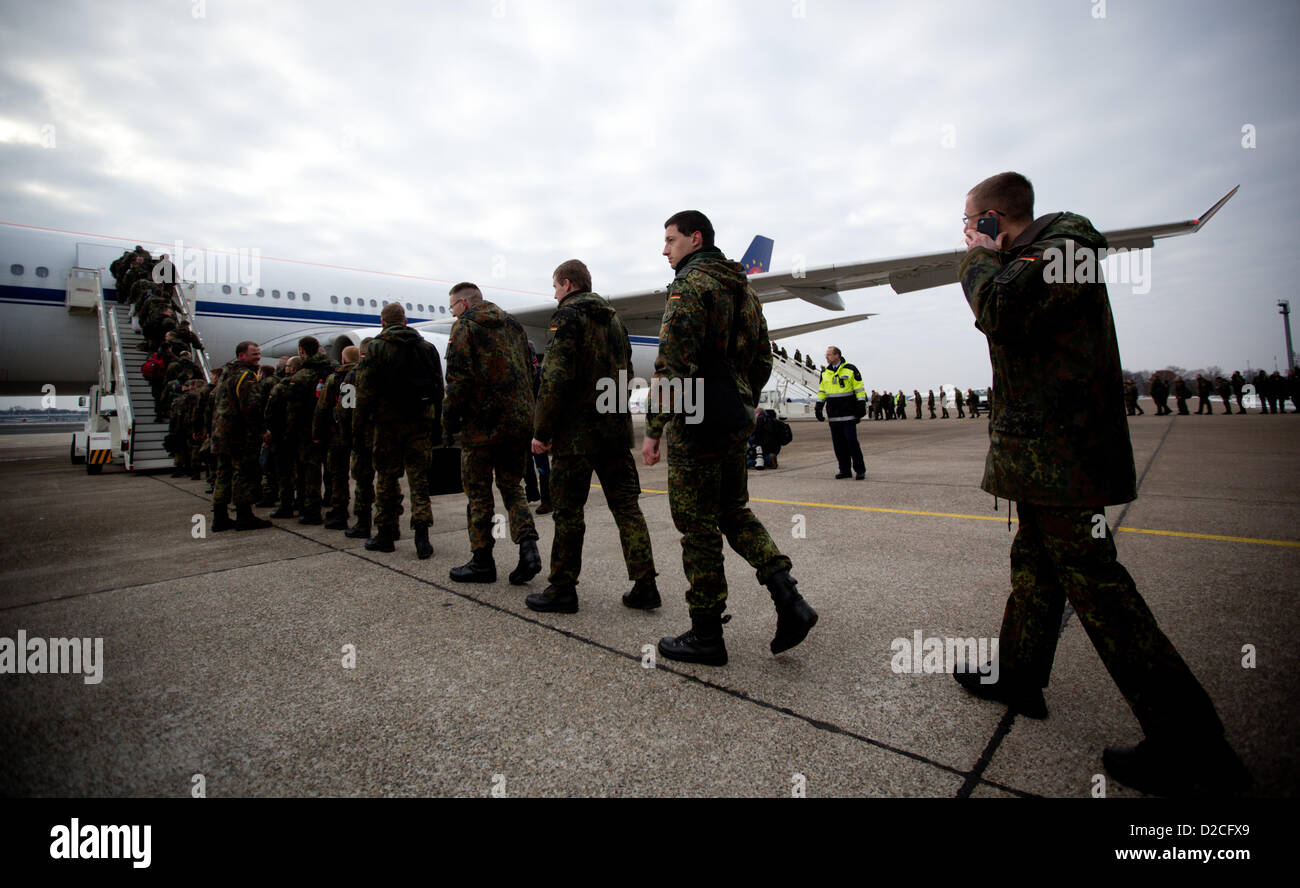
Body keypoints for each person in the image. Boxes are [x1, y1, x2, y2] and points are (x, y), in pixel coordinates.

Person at [957, 171, 1246, 796]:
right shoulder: (1041, 255)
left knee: (1102, 594)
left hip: (1064, 459)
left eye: (969, 222)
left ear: (990, 219)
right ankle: (1018, 675)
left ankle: (1193, 747)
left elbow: (1001, 313)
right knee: (1033, 567)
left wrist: (976, 260)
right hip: (1046, 458)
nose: (966, 234)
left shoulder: (1066, 250)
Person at [642, 210, 817, 666]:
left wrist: (654, 429)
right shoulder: (745, 290)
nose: (665, 249)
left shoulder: (689, 286)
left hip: (694, 422)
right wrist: (739, 400)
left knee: (697, 526)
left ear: (695, 239)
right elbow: (763, 358)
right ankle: (789, 598)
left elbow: (672, 366)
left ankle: (705, 634)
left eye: (671, 240)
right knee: (733, 511)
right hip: (733, 419)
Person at [527, 259, 658, 613]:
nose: (554, 294)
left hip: (576, 437)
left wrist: (542, 431)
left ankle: (563, 589)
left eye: (555, 286)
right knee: (627, 507)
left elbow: (554, 378)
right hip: (614, 432)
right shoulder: (615, 320)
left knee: (569, 513)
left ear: (567, 284)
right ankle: (646, 584)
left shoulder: (567, 317)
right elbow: (627, 373)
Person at [442, 283, 540, 581]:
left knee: (480, 493)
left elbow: (458, 381)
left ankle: (482, 561)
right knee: (512, 487)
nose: (452, 313)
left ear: (462, 303)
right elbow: (529, 369)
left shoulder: (465, 328)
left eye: (451, 307)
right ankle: (528, 548)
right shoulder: (514, 325)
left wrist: (447, 422)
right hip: (517, 422)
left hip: (481, 426)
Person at [357, 304, 443, 558]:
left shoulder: (374, 347)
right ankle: (422, 537)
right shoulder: (426, 347)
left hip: (387, 425)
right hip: (420, 423)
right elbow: (438, 389)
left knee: (386, 479)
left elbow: (363, 393)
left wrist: (361, 429)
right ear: (405, 320)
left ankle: (385, 534)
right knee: (419, 480)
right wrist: (437, 425)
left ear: (383, 321)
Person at [209, 341, 273, 532]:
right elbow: (250, 407)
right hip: (239, 435)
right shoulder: (246, 376)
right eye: (254, 354)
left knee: (223, 475)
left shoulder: (226, 375)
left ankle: (219, 518)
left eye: (258, 353)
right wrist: (262, 430)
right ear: (241, 356)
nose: (258, 356)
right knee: (243, 474)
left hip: (221, 434)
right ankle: (244, 516)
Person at [285, 337, 334, 525]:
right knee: (331, 469)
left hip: (307, 430)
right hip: (329, 427)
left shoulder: (302, 375)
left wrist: (290, 433)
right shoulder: (331, 370)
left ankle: (312, 511)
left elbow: (293, 409)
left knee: (309, 471)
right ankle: (333, 503)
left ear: (302, 351)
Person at [316, 345, 359, 530]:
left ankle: (340, 511)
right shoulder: (366, 374)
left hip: (339, 434)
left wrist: (318, 433)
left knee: (338, 475)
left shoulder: (335, 378)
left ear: (343, 359)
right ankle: (362, 513)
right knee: (363, 476)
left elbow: (323, 408)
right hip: (361, 434)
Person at [815, 346, 866, 480]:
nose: (826, 357)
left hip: (848, 412)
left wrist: (861, 404)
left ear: (837, 355)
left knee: (851, 442)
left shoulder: (850, 369)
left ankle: (860, 469)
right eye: (826, 355)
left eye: (829, 355)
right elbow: (822, 391)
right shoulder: (825, 372)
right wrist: (818, 406)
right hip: (834, 414)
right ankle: (844, 469)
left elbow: (859, 388)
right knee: (839, 445)